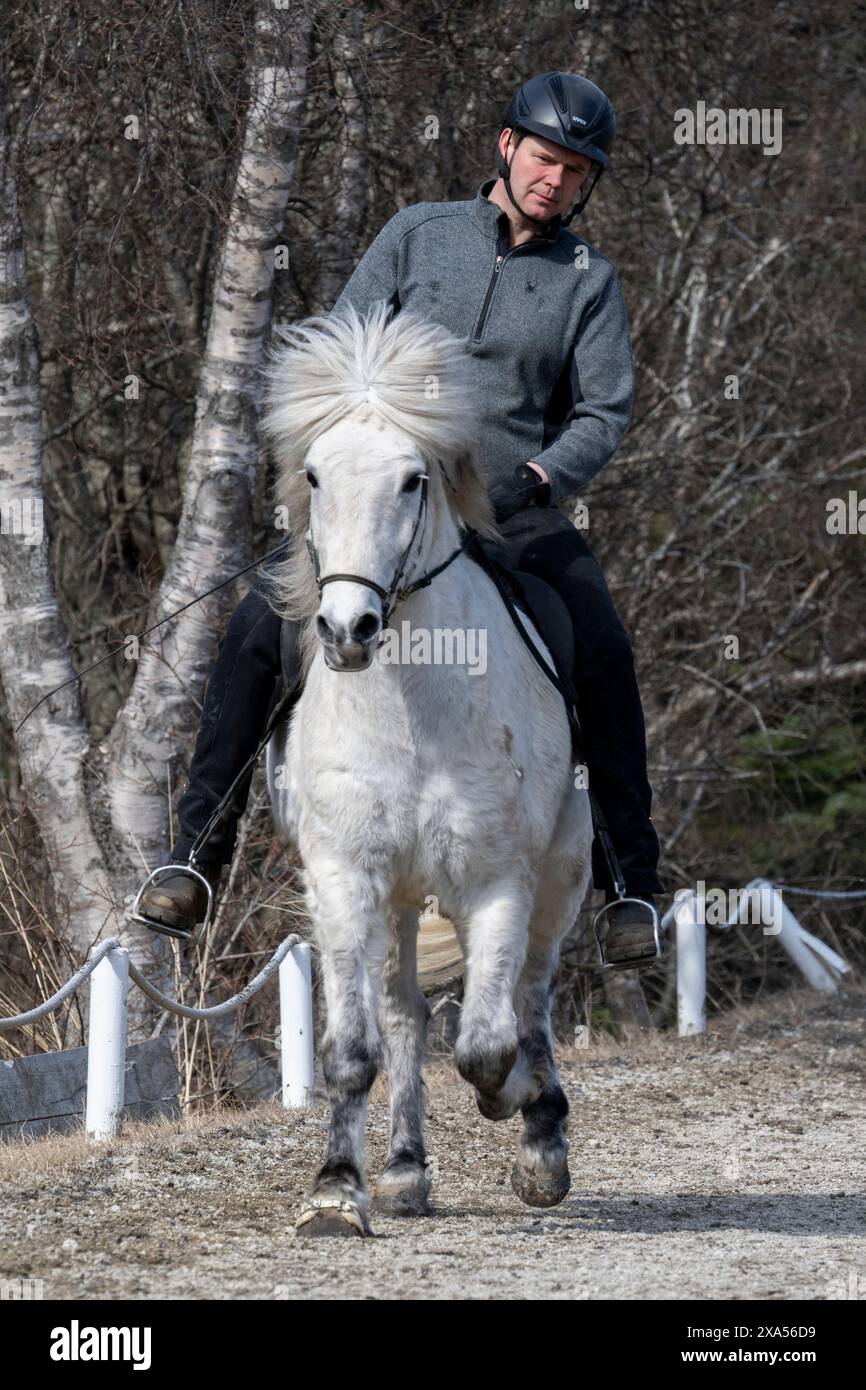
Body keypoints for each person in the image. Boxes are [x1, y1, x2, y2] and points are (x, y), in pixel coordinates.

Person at [137, 70, 664, 968]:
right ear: (507, 146)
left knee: (602, 645)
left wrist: (543, 473)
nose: (557, 180)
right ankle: (196, 854)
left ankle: (632, 887)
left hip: (509, 511)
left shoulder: (590, 280)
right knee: (260, 627)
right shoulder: (416, 234)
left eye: (578, 170)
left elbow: (603, 412)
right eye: (545, 158)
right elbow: (341, 357)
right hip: (386, 505)